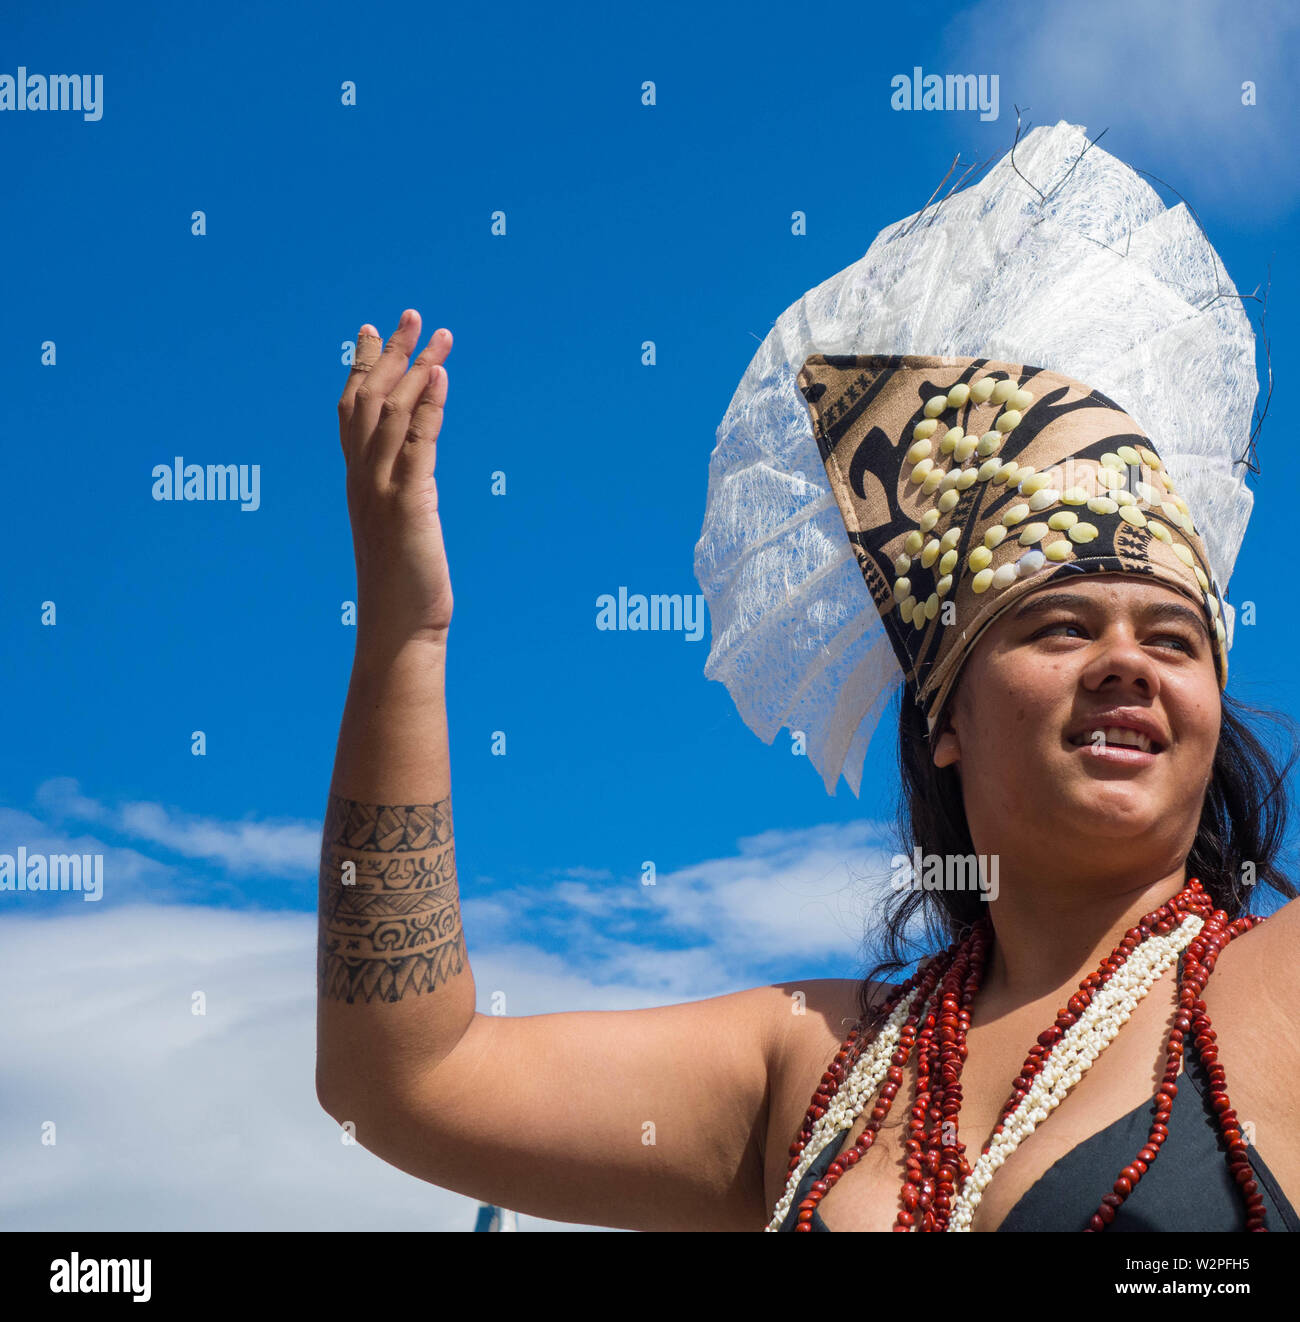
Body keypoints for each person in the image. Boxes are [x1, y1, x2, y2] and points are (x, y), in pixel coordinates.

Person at [315, 123, 1300, 1232]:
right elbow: (402, 1081)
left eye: (1174, 641)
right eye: (1061, 626)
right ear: (945, 719)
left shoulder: (1278, 993)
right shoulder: (817, 1064)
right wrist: (405, 633)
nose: (1126, 660)